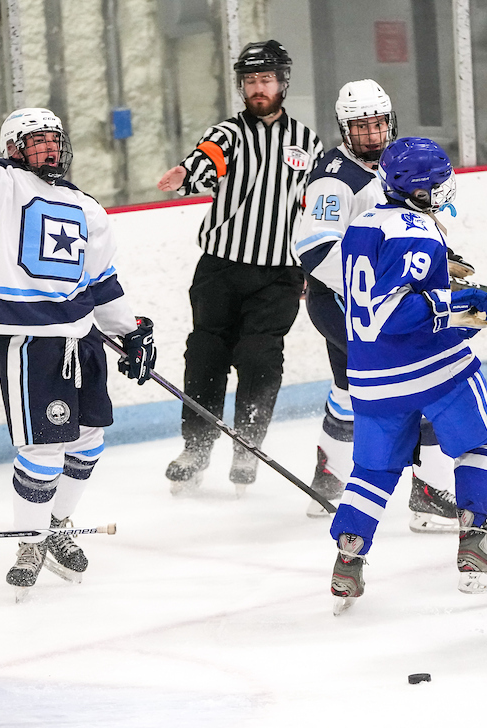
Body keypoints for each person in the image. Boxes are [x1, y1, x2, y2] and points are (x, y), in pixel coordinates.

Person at [0, 27, 156, 592]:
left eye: (52, 140)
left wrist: (129, 334)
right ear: (14, 151)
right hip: (29, 342)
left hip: (82, 341)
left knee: (88, 441)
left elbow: (103, 281)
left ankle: (58, 526)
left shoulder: (87, 207)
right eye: (34, 142)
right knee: (41, 450)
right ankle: (28, 543)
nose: (47, 150)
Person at [327, 136, 487, 615]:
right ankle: (475, 548)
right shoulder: (418, 230)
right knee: (482, 442)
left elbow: (375, 287)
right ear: (415, 190)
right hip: (429, 367)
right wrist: (455, 302)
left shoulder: (363, 223)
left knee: (374, 470)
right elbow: (391, 312)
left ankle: (348, 561)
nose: (444, 188)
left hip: (370, 375)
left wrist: (440, 270)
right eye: (437, 182)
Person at [294, 79, 463, 531]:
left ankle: (327, 476)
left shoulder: (392, 163)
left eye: (378, 125)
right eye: (361, 128)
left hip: (364, 302)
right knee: (422, 376)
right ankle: (427, 493)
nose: (372, 136)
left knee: (351, 389)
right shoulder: (335, 178)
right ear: (344, 129)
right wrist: (384, 290)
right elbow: (313, 251)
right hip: (344, 303)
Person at [156, 40, 322, 494]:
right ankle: (196, 447)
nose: (257, 88)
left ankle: (247, 445)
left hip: (278, 275)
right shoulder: (229, 133)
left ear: (282, 82)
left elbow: (315, 209)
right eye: (250, 81)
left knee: (259, 358)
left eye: (265, 79)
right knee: (206, 354)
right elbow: (208, 158)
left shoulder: (309, 142)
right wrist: (185, 174)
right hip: (221, 269)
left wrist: (313, 264)